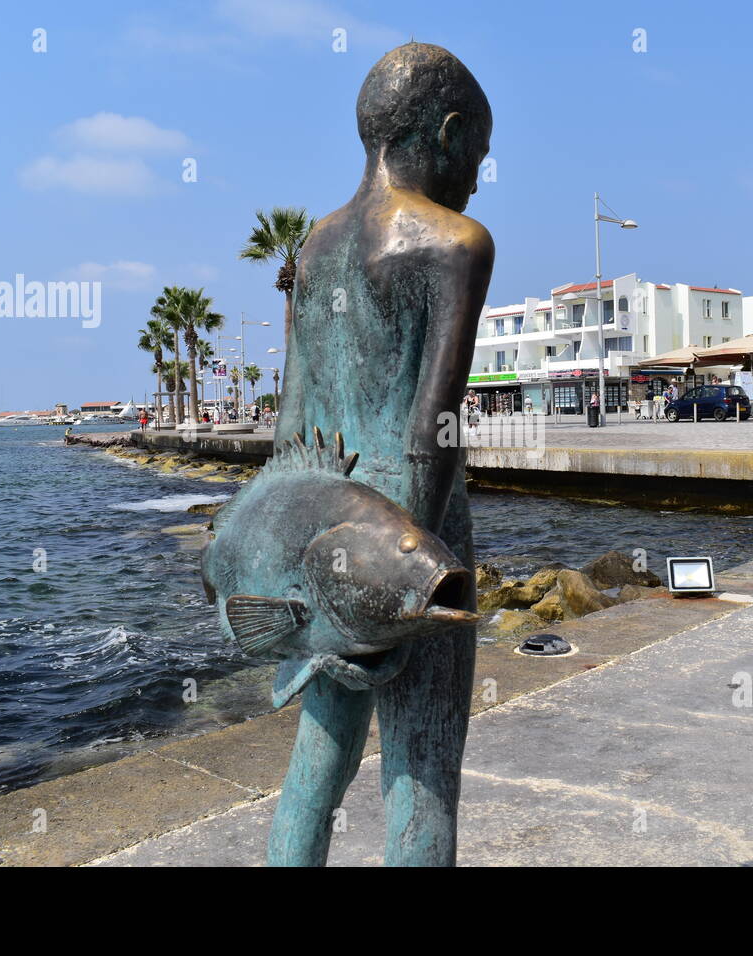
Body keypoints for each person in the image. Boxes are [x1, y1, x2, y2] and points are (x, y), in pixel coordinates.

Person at [269, 42, 493, 866]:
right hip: (411, 536)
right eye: (477, 156)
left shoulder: (314, 248)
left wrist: (299, 568)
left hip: (330, 531)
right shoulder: (456, 242)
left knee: (312, 772)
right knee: (423, 774)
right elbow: (431, 428)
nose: (474, 178)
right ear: (449, 132)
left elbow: (292, 424)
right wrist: (418, 578)